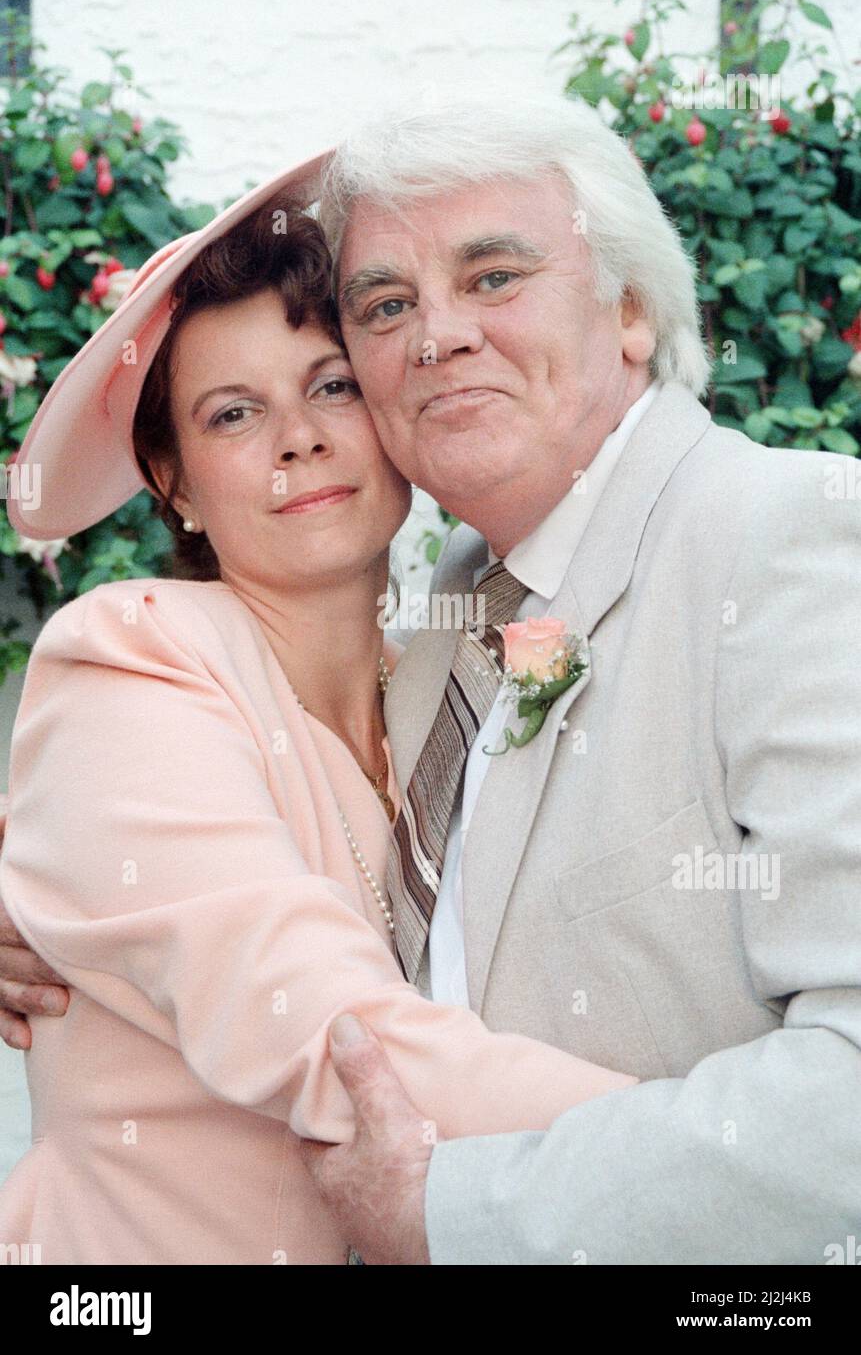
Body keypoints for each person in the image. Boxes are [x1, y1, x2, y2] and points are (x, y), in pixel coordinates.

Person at [0, 160, 634, 1265]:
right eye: (233, 413)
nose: (296, 437)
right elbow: (335, 1036)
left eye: (331, 386)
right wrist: (712, 1153)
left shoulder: (445, 681)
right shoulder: (130, 655)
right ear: (176, 483)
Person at [299, 93, 861, 1263]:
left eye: (494, 276)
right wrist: (83, 905)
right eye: (386, 304)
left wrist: (451, 1215)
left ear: (634, 310)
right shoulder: (453, 604)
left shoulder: (789, 536)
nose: (436, 336)